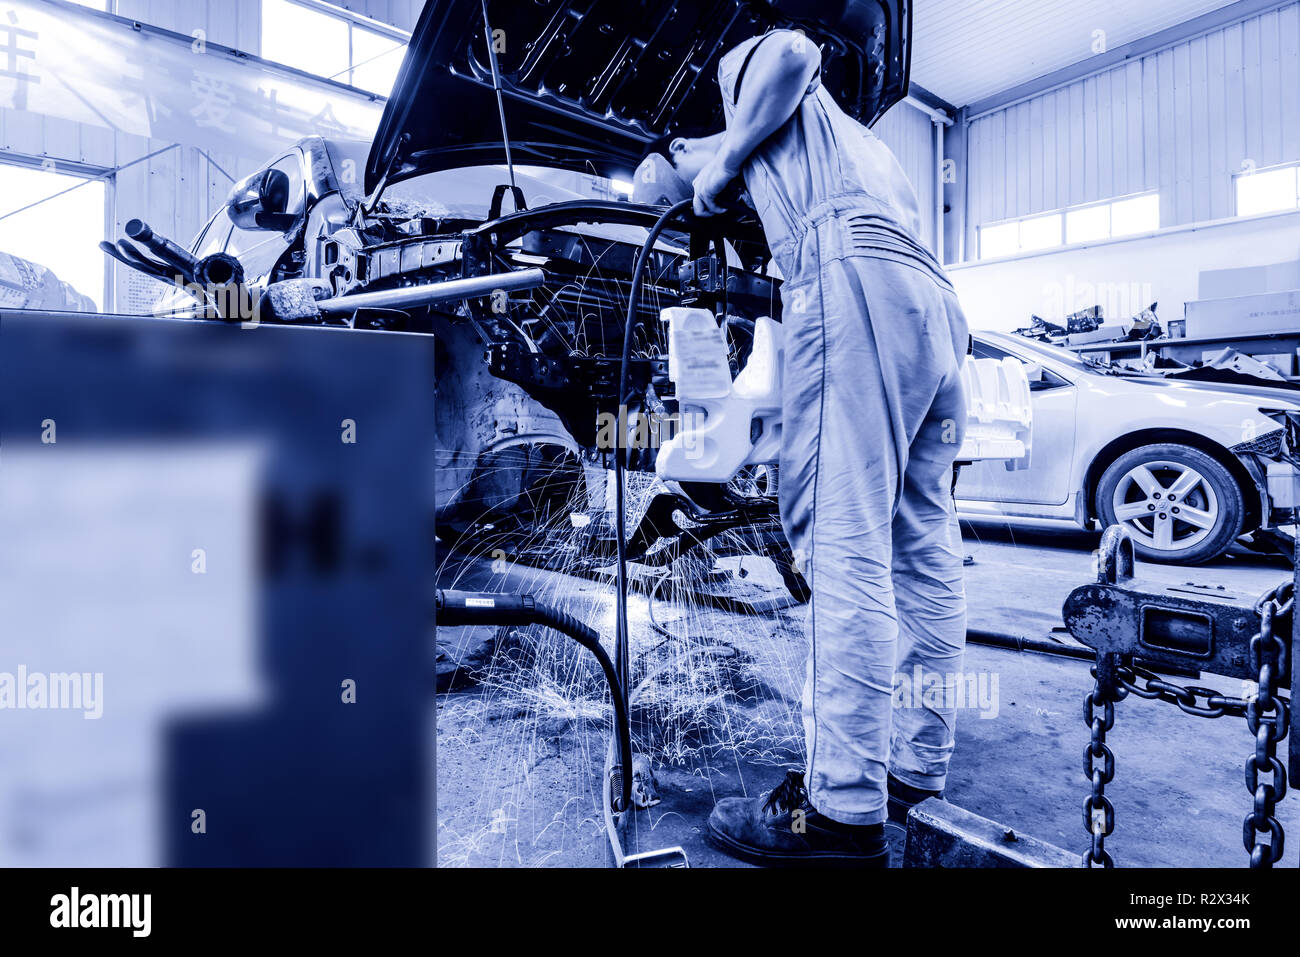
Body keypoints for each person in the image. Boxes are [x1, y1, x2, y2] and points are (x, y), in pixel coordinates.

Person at [636, 29, 970, 867]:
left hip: (850, 274)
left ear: (688, 137)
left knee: (842, 541)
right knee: (922, 545)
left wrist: (714, 171)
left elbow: (789, 49)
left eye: (670, 165)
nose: (671, 187)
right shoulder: (854, 140)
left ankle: (840, 812)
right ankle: (914, 768)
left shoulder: (740, 75)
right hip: (932, 301)